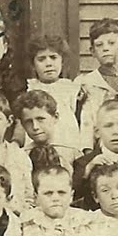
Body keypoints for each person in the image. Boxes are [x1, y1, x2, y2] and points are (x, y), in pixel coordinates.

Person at [24, 37, 83, 166]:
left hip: (66, 144)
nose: (48, 63)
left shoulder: (72, 89)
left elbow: (81, 119)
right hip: (37, 146)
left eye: (53, 57)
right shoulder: (29, 88)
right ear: (33, 65)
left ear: (62, 61)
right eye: (41, 59)